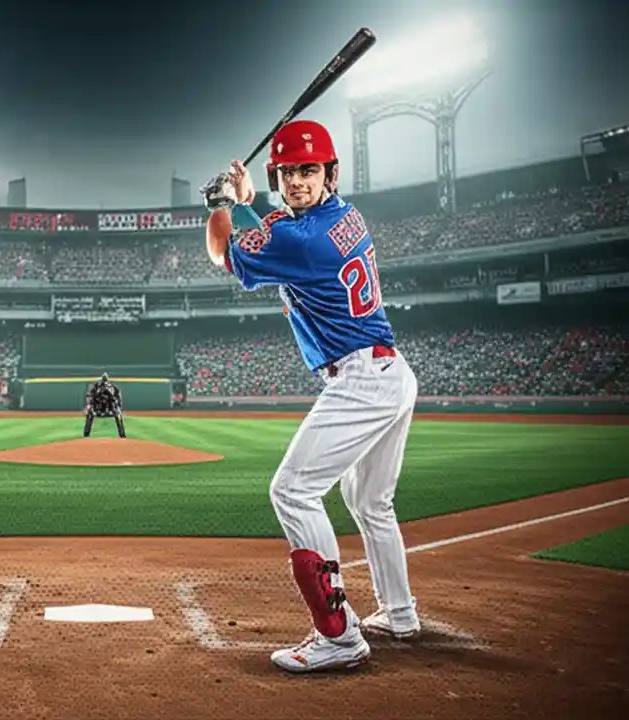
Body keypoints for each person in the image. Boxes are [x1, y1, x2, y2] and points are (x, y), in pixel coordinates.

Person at [200, 119, 420, 674]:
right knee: (372, 504)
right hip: (390, 372)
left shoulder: (300, 238)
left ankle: (339, 636)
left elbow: (225, 253)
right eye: (289, 171)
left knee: (293, 492)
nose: (297, 180)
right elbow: (280, 236)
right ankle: (400, 613)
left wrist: (219, 204)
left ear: (329, 173)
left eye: (308, 170)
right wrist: (249, 202)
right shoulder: (342, 217)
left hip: (361, 380)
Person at [83, 372, 126, 438]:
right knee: (89, 413)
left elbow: (118, 400)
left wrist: (116, 404)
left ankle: (122, 435)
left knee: (118, 413)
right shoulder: (95, 387)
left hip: (110, 409)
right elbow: (89, 396)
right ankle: (86, 434)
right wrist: (89, 405)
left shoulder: (113, 388)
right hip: (98, 409)